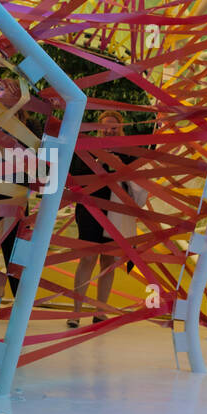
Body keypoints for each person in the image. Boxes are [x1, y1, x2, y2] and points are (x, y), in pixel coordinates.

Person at [69, 110, 125, 327]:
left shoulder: (128, 152)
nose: (109, 130)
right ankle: (75, 312)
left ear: (120, 129)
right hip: (90, 209)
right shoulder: (86, 149)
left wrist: (119, 166)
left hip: (116, 211)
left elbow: (135, 182)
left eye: (114, 127)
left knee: (108, 261)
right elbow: (75, 178)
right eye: (105, 127)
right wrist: (97, 167)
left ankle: (100, 311)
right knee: (87, 258)